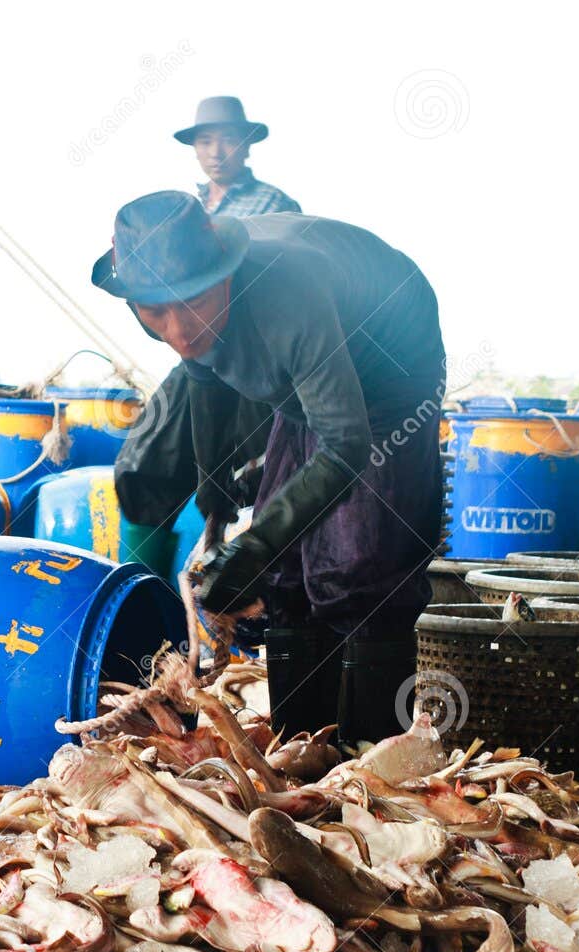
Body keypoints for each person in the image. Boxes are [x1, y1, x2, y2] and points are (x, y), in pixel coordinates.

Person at [93, 191, 445, 743]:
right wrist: (214, 490)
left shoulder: (288, 302)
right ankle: (300, 746)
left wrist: (256, 544)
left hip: (391, 369)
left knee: (359, 565)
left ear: (226, 278)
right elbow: (205, 375)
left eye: (192, 306)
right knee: (288, 579)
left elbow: (346, 443)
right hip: (304, 381)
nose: (178, 331)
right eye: (155, 312)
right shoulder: (188, 308)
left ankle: (375, 763)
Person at [116, 97, 299, 573]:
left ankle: (244, 594)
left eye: (226, 139)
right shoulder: (187, 210)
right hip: (197, 355)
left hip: (250, 357)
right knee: (145, 460)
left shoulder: (275, 205)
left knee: (246, 474)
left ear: (246, 146)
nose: (216, 150)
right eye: (205, 140)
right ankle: (141, 597)